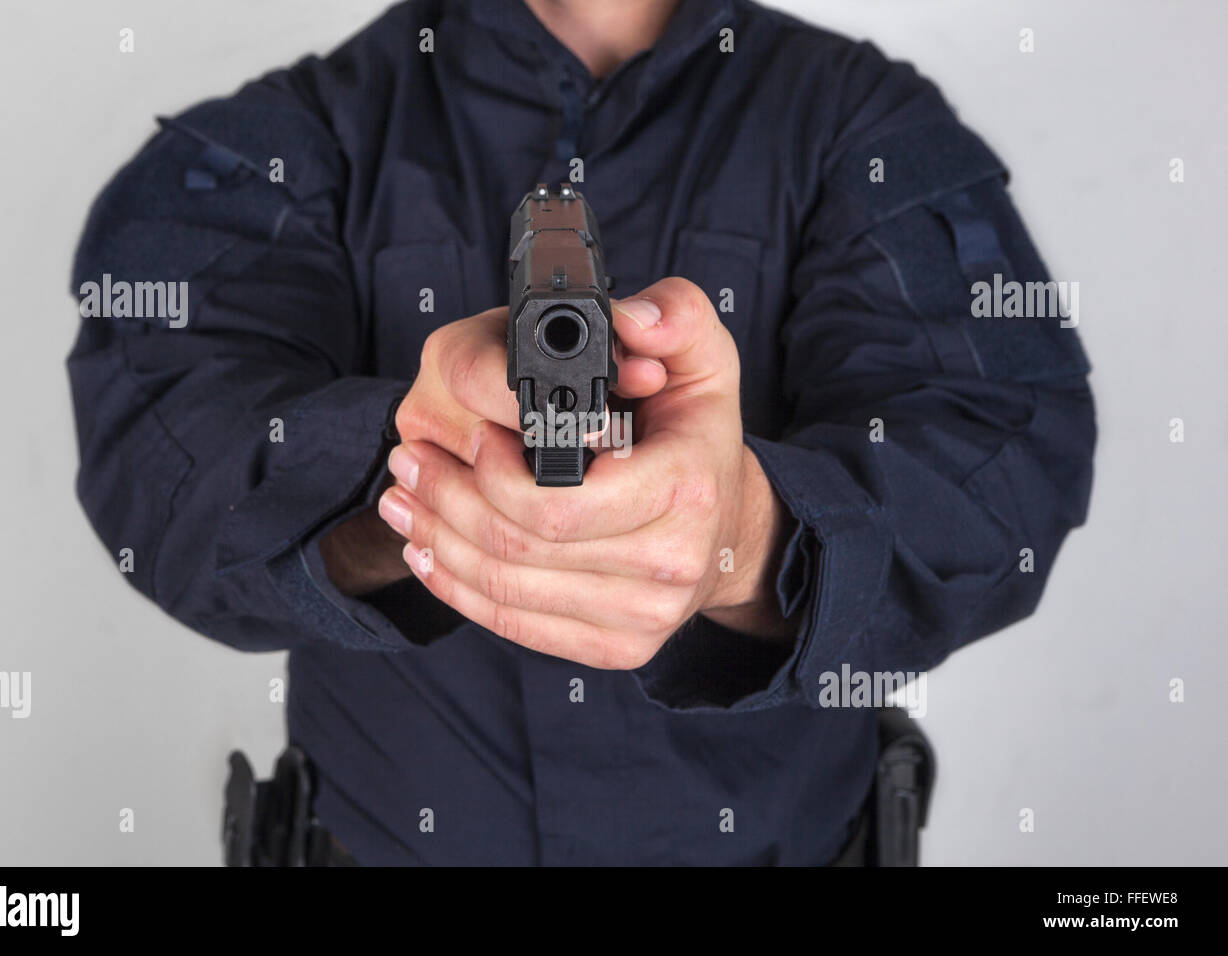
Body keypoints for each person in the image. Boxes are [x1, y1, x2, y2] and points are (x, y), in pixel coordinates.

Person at [67, 0, 1096, 865]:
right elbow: (155, 463)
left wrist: (745, 534)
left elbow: (1004, 466)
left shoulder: (861, 125)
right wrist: (407, 483)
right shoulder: (288, 139)